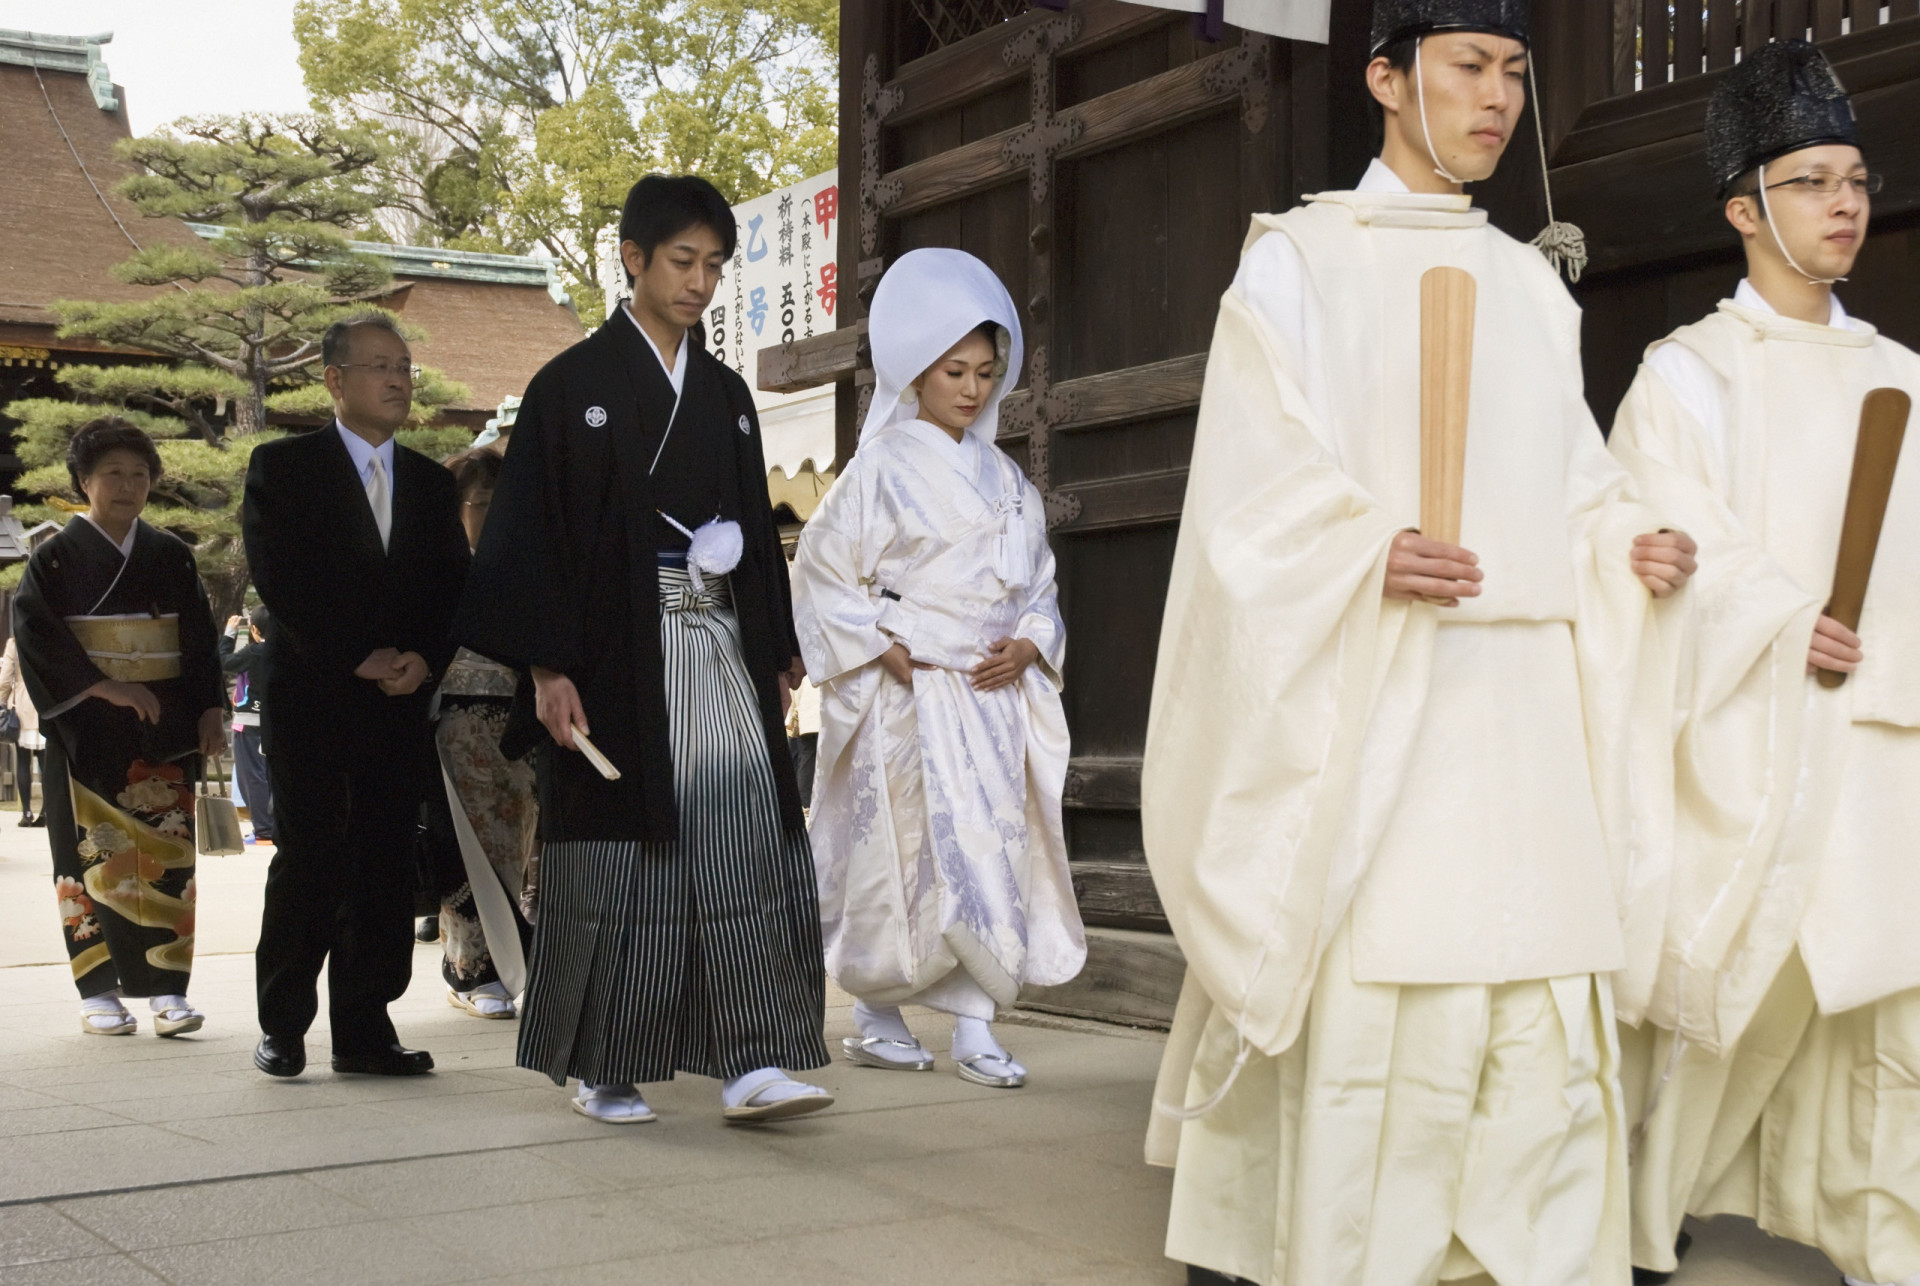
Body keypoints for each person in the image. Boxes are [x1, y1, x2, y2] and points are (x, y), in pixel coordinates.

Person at [1139, 3, 1700, 1282]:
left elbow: (1574, 482)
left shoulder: (1528, 284)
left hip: (1522, 698)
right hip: (1390, 680)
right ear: (1388, 79)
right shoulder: (1299, 261)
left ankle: (1525, 1250)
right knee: (1381, 966)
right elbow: (1254, 482)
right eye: (1469, 67)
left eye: (1514, 73)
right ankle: (1328, 1238)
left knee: (1538, 973)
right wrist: (1364, 548)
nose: (1498, 98)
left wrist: (1629, 541)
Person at [1606, 40, 1920, 1286]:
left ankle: (1887, 1232)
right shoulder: (1690, 373)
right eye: (1812, 181)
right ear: (1744, 208)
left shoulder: (1902, 375)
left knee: (1890, 987)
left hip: (1888, 722)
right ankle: (1650, 1208)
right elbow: (1661, 531)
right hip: (1752, 720)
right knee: (1737, 973)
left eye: (1857, 180)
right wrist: (1783, 616)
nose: (1846, 204)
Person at [457, 174, 830, 1125]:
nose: (700, 282)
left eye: (714, 265)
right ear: (633, 258)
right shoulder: (569, 388)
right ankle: (606, 1062)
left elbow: (756, 532)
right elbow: (529, 540)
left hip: (718, 638)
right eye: (681, 261)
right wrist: (547, 668)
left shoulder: (727, 396)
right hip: (613, 657)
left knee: (744, 832)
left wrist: (775, 649)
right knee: (622, 855)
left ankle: (752, 1056)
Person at [792, 249, 1083, 1088]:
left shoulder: (1008, 480)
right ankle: (878, 1014)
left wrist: (1031, 642)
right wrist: (877, 644)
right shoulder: (881, 466)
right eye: (955, 371)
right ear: (918, 369)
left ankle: (975, 1024)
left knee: (990, 852)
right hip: (910, 690)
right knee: (900, 856)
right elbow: (821, 568)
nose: (972, 389)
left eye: (986, 373)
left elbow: (1038, 583)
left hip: (989, 694)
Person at [243, 311, 470, 1079]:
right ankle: (283, 1025)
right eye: (380, 366)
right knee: (310, 855)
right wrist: (356, 656)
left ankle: (365, 1030)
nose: (398, 379)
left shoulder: (433, 483)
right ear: (335, 380)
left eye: (404, 366)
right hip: (312, 693)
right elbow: (280, 578)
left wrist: (423, 659)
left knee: (383, 858)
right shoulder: (284, 467)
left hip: (398, 698)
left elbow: (453, 588)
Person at [11, 418, 226, 1037]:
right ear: (84, 481)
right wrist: (104, 685)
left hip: (163, 725)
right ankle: (98, 992)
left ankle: (168, 990)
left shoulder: (170, 554)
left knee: (168, 858)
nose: (128, 486)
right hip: (87, 728)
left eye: (139, 474)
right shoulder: (53, 558)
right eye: (113, 473)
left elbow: (198, 637)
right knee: (88, 855)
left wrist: (211, 708)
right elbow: (36, 634)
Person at [432, 447, 537, 1020]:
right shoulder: (437, 566)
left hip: (518, 719)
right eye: (481, 503)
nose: (493, 514)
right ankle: (467, 968)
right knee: (467, 844)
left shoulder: (525, 564)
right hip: (459, 718)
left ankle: (512, 961)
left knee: (515, 844)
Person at [219, 605, 273, 844]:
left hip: (249, 724)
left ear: (254, 629)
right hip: (273, 723)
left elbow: (224, 661)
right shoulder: (284, 651)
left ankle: (264, 830)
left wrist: (229, 634)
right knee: (271, 776)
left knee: (252, 777)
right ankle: (273, 827)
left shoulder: (254, 652)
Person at [0, 636, 46, 825]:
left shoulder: (15, 643)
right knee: (46, 762)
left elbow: (5, 678)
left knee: (23, 760)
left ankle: (26, 812)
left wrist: (2, 702)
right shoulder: (47, 639)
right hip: (45, 703)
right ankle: (46, 812)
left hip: (22, 705)